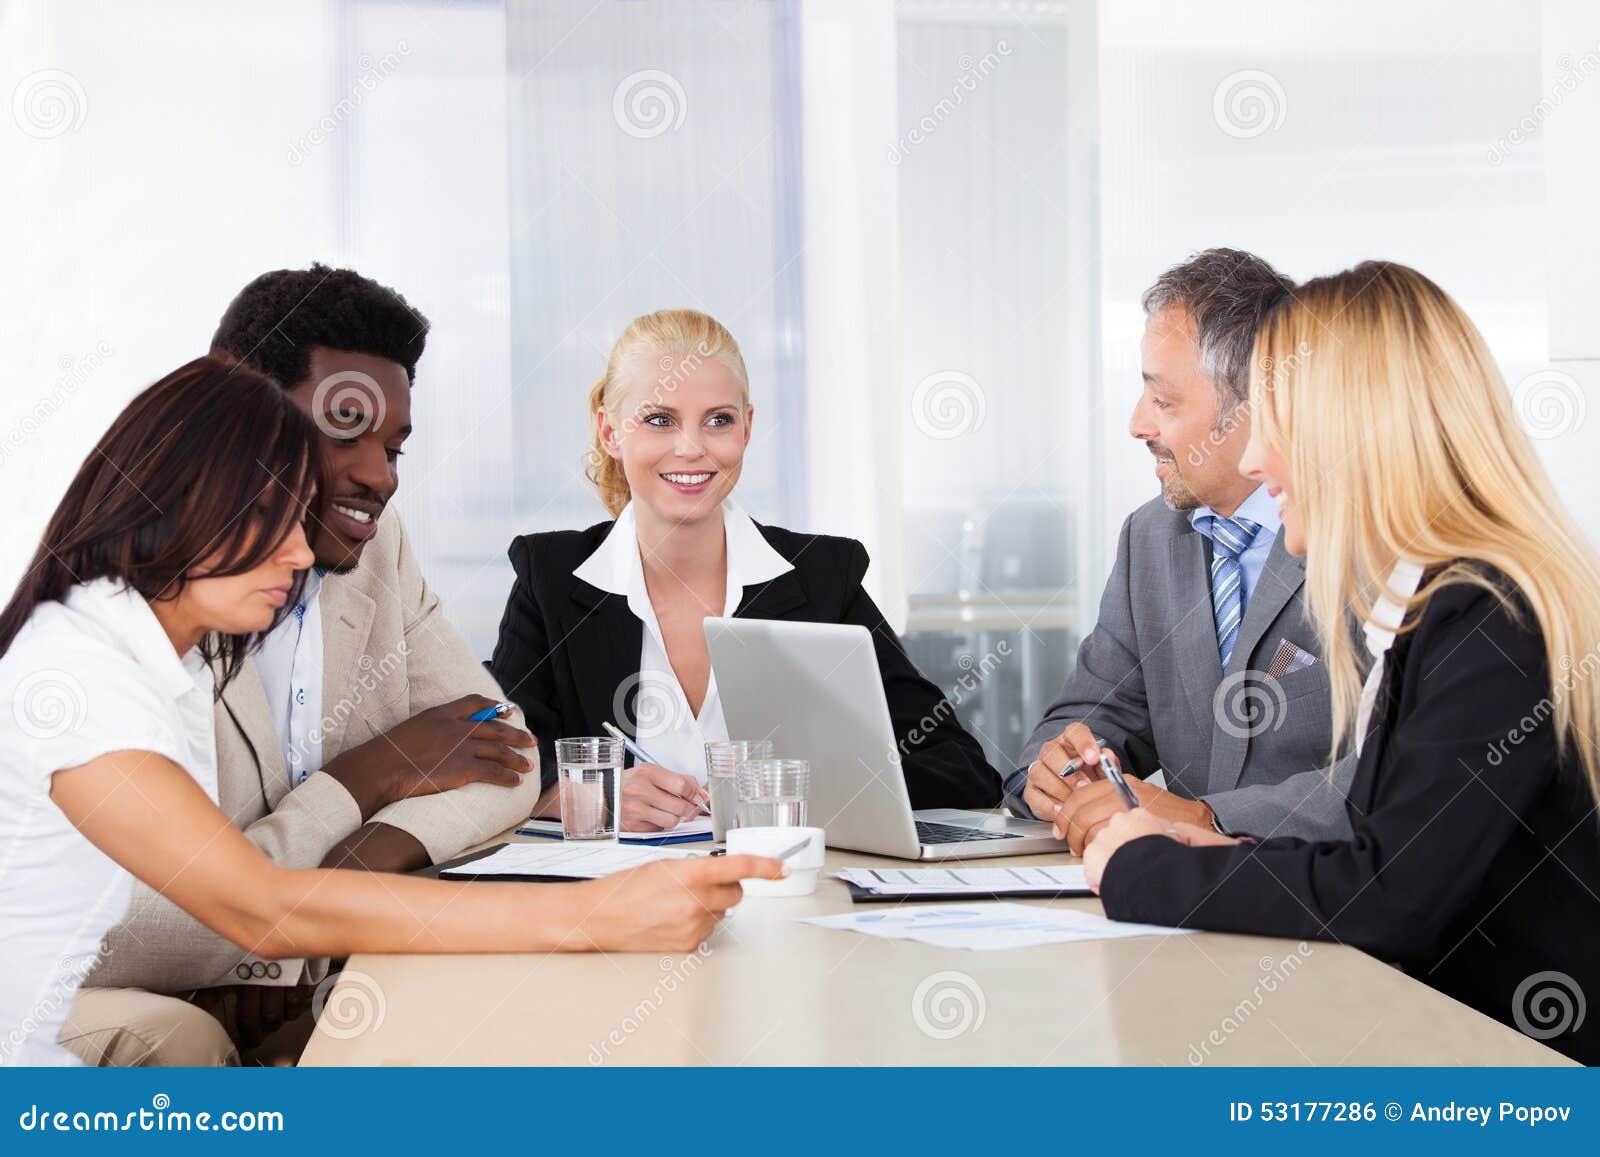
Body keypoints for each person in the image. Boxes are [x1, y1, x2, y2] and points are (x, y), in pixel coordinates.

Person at [0, 357, 780, 1068]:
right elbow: (259, 907)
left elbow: (491, 744)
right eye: (272, 515)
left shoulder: (153, 657)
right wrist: (593, 914)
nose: (299, 555)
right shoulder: (82, 675)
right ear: (181, 501)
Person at [1083, 262, 1600, 1065]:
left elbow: (1392, 895)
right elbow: (1383, 853)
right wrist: (1215, 853)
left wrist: (1142, 869)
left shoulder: (1490, 615)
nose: (1253, 462)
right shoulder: (1436, 603)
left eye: (1276, 426)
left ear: (1353, 434)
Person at [67, 266, 547, 1064]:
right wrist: (366, 780)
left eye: (394, 447)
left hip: (290, 968)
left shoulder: (372, 551)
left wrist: (368, 855)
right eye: (343, 430)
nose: (382, 476)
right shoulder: (121, 597)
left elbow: (504, 751)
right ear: (235, 409)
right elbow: (117, 918)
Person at [491, 308, 1000, 831]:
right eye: (660, 420)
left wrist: (791, 787)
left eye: (719, 420)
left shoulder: (822, 577)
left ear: (748, 428)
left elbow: (960, 769)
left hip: (779, 878)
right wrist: (591, 794)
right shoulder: (550, 578)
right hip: (620, 882)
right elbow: (492, 759)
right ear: (610, 432)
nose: (691, 448)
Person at [1007, 249, 1353, 854]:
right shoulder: (1150, 538)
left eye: (1163, 402)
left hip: (1326, 893)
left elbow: (1403, 771)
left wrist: (1208, 817)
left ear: (1254, 408)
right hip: (1180, 895)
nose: (1138, 424)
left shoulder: (1366, 536)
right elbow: (1096, 709)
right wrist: (1059, 769)